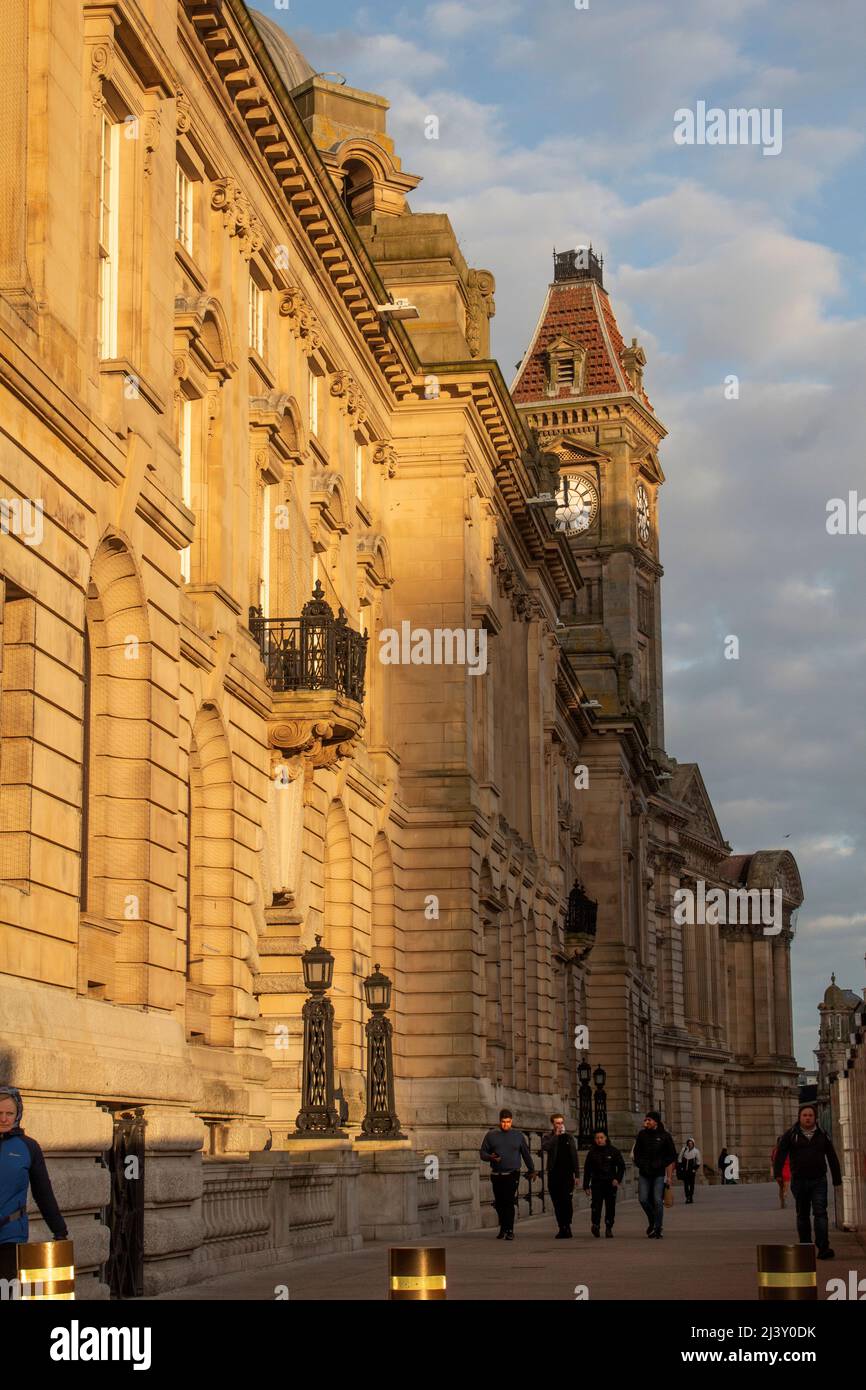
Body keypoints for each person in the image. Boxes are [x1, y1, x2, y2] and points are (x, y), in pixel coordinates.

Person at [0, 1085, 68, 1246]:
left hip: (12, 1235)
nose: (3, 1119)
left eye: (9, 1113)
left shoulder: (28, 1147)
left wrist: (59, 1232)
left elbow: (43, 1193)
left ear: (18, 1114)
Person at [774, 1103, 842, 1261]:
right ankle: (805, 1246)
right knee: (803, 1214)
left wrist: (836, 1177)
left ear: (815, 1117)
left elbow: (831, 1155)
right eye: (804, 1115)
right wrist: (778, 1173)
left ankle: (823, 1247)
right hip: (799, 1180)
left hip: (819, 1179)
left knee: (820, 1212)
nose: (807, 1118)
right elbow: (781, 1153)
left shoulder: (822, 1134)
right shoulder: (791, 1134)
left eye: (810, 1115)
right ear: (799, 1117)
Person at [480, 1108, 537, 1240]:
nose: (506, 1124)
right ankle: (503, 1228)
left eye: (508, 1122)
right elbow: (482, 1153)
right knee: (499, 1203)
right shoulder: (491, 1135)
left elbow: (526, 1154)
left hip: (512, 1174)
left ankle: (510, 1230)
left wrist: (532, 1170)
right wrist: (491, 1158)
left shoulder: (518, 1136)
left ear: (511, 1121)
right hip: (496, 1174)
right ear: (499, 1121)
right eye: (503, 1122)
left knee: (509, 1201)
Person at [633, 1111, 677, 1239]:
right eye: (646, 1120)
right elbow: (637, 1153)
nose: (646, 1122)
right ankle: (653, 1220)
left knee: (658, 1200)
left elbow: (672, 1155)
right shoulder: (641, 1135)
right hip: (644, 1172)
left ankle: (658, 1227)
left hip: (658, 1173)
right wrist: (641, 1164)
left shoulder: (665, 1136)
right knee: (643, 1199)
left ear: (656, 1122)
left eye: (649, 1120)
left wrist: (662, 1165)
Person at [541, 1113, 579, 1238]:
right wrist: (556, 1136)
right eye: (557, 1123)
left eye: (561, 1122)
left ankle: (567, 1225)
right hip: (554, 1174)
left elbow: (574, 1156)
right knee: (557, 1201)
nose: (559, 1125)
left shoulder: (569, 1138)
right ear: (553, 1124)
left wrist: (577, 1174)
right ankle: (561, 1226)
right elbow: (545, 1147)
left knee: (567, 1201)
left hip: (567, 1174)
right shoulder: (548, 1136)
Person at [582, 1129, 625, 1237]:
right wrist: (586, 1185)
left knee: (610, 1206)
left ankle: (609, 1227)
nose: (599, 1140)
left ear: (606, 1138)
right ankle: (595, 1224)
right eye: (597, 1138)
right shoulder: (592, 1153)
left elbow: (621, 1167)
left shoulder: (613, 1151)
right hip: (597, 1183)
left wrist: (617, 1179)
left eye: (601, 1138)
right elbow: (587, 1170)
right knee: (596, 1206)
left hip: (610, 1183)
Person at [678, 1137, 701, 1203]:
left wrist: (695, 1169)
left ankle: (691, 1196)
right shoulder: (684, 1149)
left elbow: (698, 1162)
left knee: (691, 1184)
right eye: (689, 1143)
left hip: (691, 1170)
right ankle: (687, 1196)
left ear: (693, 1144)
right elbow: (679, 1158)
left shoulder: (696, 1151)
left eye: (691, 1143)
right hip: (685, 1170)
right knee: (685, 1184)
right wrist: (681, 1167)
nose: (690, 1144)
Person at [771, 1134, 791, 1209]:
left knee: (781, 1187)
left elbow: (773, 1160)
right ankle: (785, 1197)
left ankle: (782, 1202)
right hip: (786, 1169)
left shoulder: (775, 1150)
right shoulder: (788, 1150)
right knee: (786, 1187)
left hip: (778, 1170)